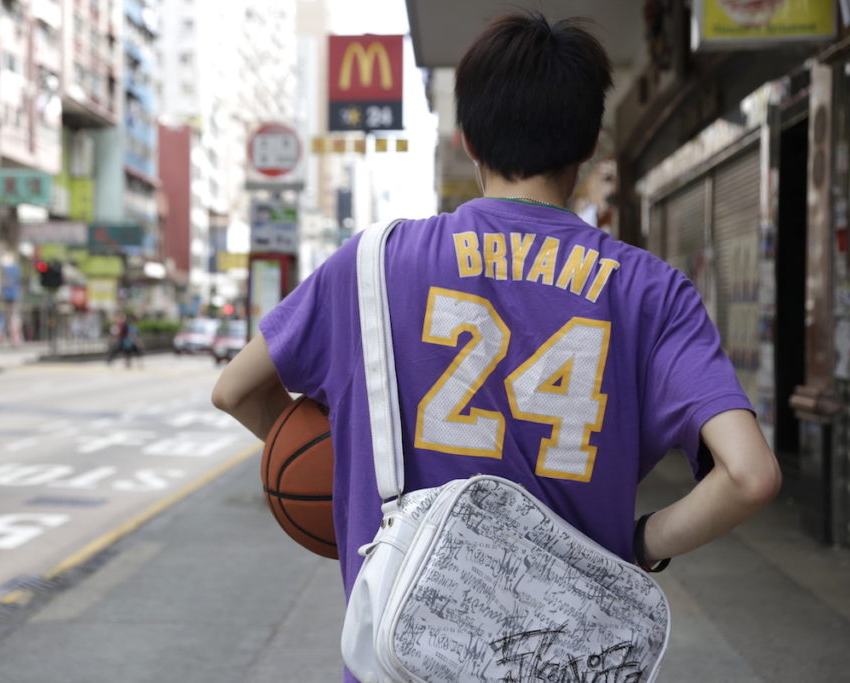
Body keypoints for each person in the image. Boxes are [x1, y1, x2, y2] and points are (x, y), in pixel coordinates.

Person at [213, 11, 780, 679]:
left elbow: (235, 390)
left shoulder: (371, 265)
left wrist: (350, 480)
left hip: (403, 659)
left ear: (467, 138)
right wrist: (639, 543)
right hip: (563, 655)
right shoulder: (653, 292)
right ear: (588, 146)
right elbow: (750, 476)